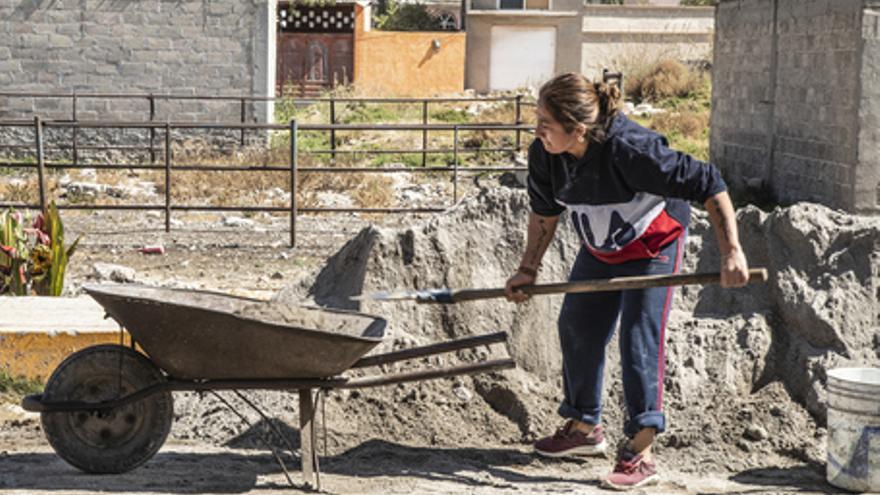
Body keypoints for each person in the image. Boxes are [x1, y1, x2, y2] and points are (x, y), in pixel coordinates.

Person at [504, 73, 750, 490]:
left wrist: (731, 251)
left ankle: (641, 448)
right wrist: (528, 269)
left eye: (545, 121)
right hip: (601, 244)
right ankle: (584, 428)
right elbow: (544, 213)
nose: (537, 129)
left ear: (578, 130)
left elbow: (710, 183)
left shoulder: (632, 150)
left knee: (638, 336)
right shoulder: (545, 154)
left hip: (653, 244)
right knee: (577, 325)